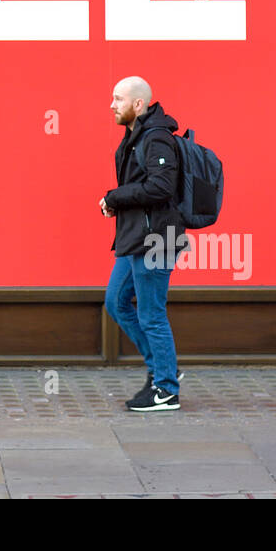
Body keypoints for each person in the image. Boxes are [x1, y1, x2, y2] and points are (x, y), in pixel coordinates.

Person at [99, 76, 186, 412]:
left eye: (118, 99)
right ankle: (163, 368)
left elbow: (161, 187)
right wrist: (116, 202)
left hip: (156, 239)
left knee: (151, 314)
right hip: (138, 237)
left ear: (138, 104)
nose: (112, 105)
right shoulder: (137, 136)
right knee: (116, 302)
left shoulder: (157, 138)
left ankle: (166, 389)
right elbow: (142, 186)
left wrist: (115, 196)